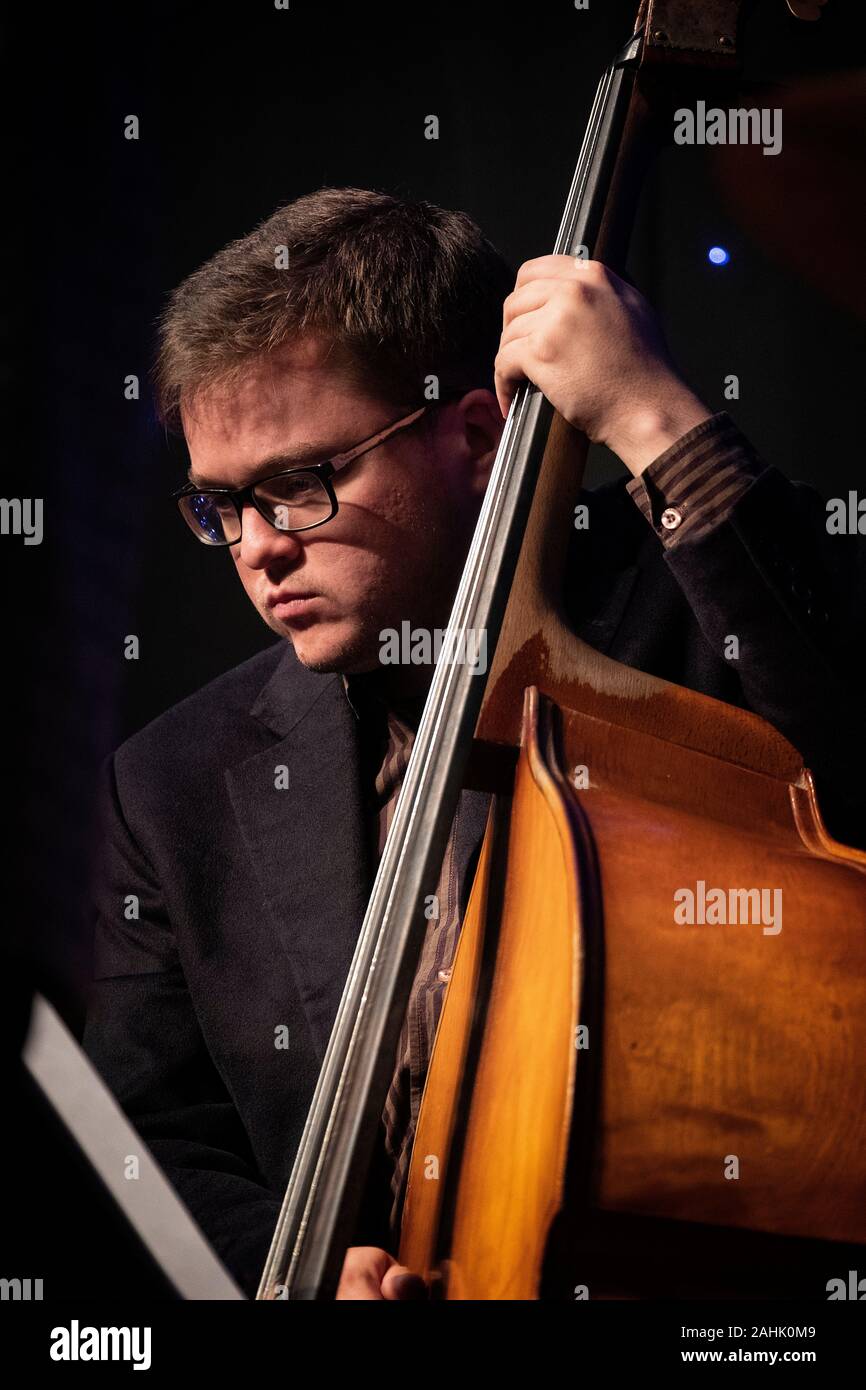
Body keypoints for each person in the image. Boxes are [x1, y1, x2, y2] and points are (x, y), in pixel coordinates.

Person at [82, 187, 864, 1300]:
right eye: (220, 505)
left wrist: (653, 420)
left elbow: (845, 741)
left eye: (300, 486)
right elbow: (143, 1134)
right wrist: (285, 1268)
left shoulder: (713, 616)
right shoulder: (170, 782)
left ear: (479, 437)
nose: (256, 550)